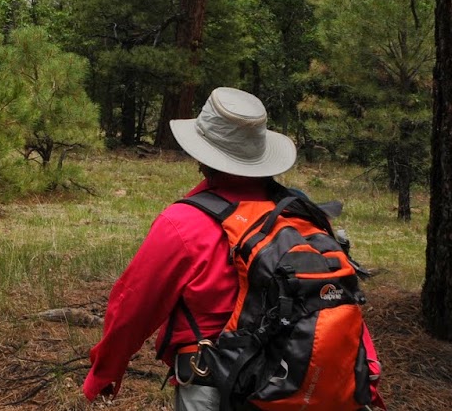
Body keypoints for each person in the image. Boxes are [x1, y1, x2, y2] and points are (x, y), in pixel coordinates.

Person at [83, 87, 381, 408]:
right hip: (304, 382)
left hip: (213, 384)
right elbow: (336, 297)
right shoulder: (300, 212)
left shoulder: (183, 222)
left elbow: (134, 304)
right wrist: (364, 376)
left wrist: (105, 370)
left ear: (202, 155)